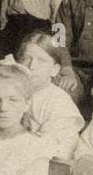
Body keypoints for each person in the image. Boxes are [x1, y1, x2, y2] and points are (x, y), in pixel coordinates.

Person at [14, 30, 84, 159]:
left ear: (54, 70)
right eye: (26, 59)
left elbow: (44, 146)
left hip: (50, 160)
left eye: (41, 61)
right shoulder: (14, 91)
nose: (32, 66)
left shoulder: (58, 101)